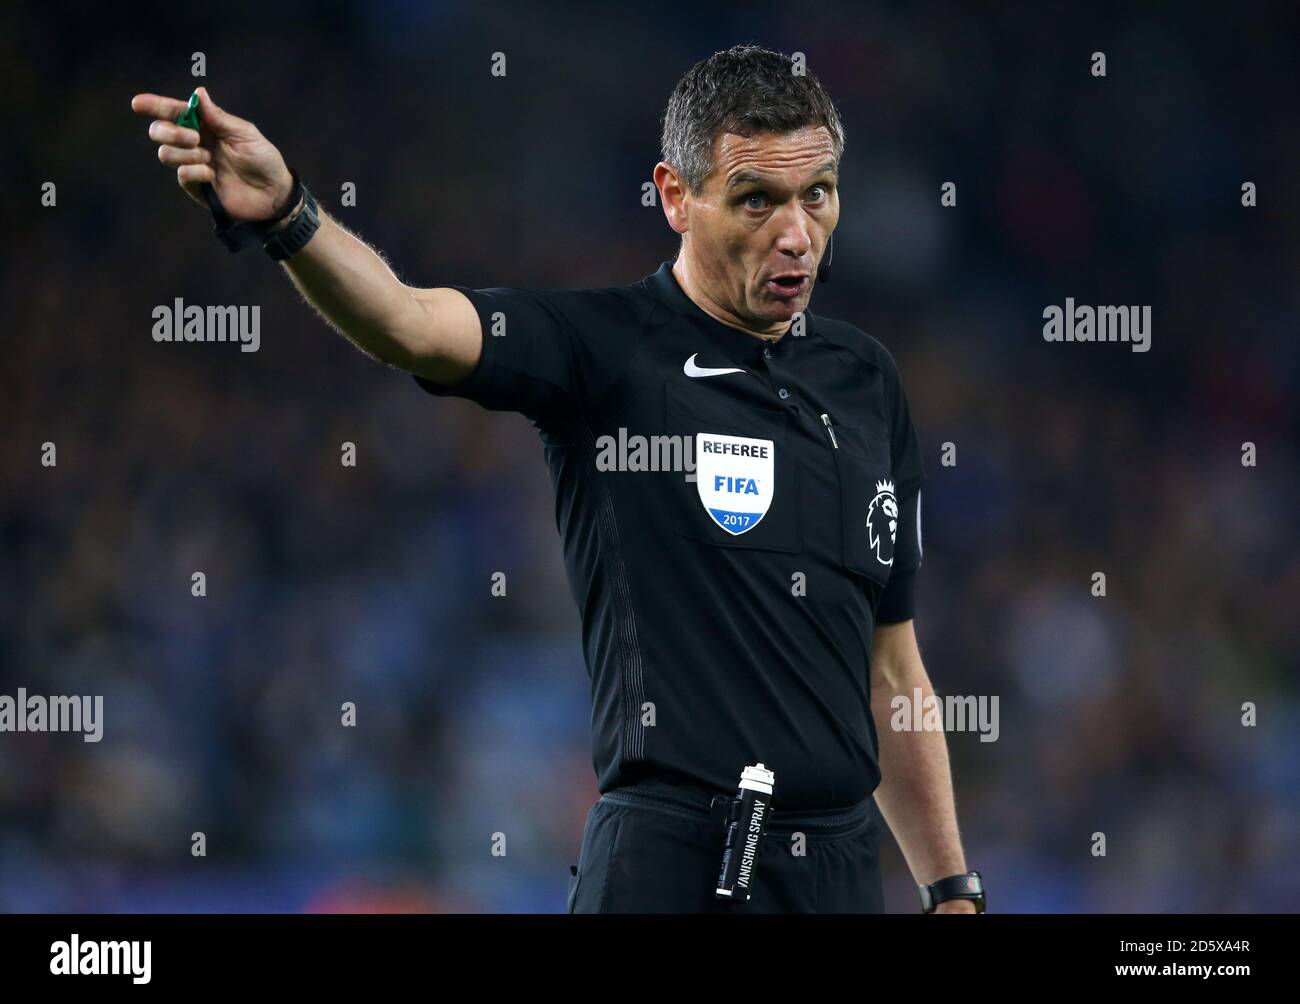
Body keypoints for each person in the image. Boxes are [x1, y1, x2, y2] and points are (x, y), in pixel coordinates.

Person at [131, 44, 983, 914]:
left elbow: (894, 671)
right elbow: (410, 323)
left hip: (841, 877)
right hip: (673, 870)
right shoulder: (605, 350)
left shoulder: (867, 381)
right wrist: (288, 213)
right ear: (676, 196)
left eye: (818, 195)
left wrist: (952, 888)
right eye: (756, 199)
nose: (796, 232)